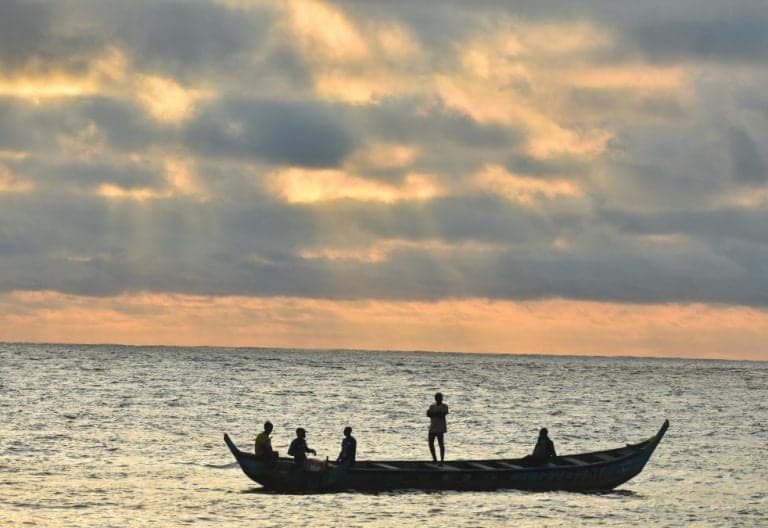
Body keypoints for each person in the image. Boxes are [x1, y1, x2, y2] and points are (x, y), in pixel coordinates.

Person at [427, 392, 448, 462]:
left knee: (440, 444)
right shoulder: (432, 406)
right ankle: (434, 459)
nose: (438, 399)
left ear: (441, 399)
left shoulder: (444, 406)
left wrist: (434, 414)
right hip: (432, 427)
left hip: (440, 428)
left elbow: (442, 414)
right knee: (430, 443)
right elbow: (428, 414)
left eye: (439, 398)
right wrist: (436, 413)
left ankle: (442, 460)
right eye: (437, 398)